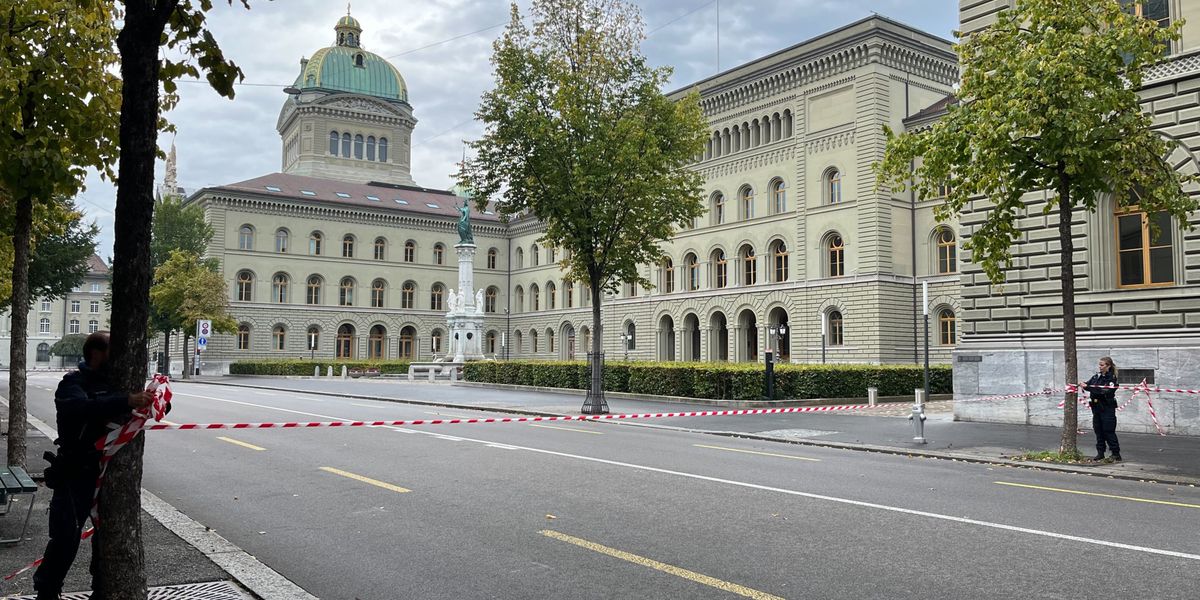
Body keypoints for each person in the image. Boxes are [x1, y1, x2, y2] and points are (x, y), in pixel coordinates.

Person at [33, 331, 156, 600]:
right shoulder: (72, 384)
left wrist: (152, 401)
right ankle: (47, 591)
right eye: (113, 351)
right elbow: (81, 407)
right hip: (74, 473)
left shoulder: (114, 383)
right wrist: (126, 400)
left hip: (107, 475)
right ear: (97, 353)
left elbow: (134, 414)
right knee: (65, 538)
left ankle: (101, 589)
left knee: (105, 538)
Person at [1084, 356, 1121, 462]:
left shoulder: (1111, 378)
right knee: (1098, 430)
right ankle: (1100, 453)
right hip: (1096, 408)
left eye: (1102, 365)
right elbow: (1088, 384)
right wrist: (1083, 384)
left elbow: (1103, 392)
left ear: (1108, 366)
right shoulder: (1097, 376)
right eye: (1099, 365)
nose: (1100, 367)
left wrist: (1089, 387)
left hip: (1107, 408)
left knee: (1108, 430)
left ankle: (1116, 453)